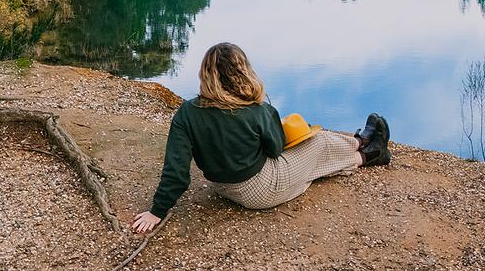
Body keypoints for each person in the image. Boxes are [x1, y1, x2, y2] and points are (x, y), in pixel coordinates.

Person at [131, 42, 391, 233]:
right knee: (317, 142)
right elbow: (276, 149)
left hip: (222, 188)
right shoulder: (258, 110)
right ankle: (366, 151)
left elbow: (176, 171)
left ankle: (366, 144)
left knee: (309, 153)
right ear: (243, 70)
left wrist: (157, 211)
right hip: (260, 191)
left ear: (206, 74)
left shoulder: (187, 112)